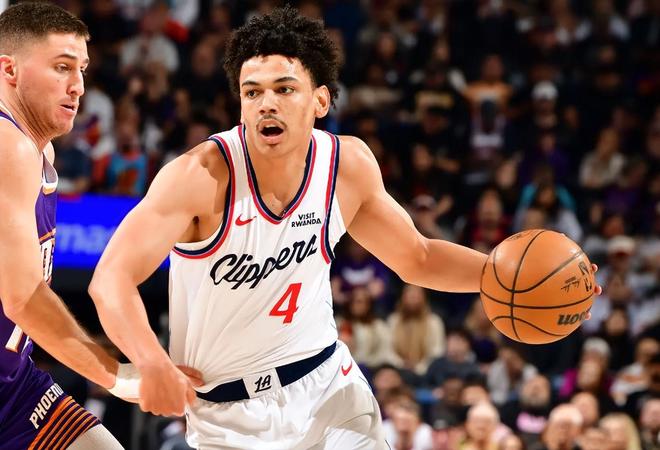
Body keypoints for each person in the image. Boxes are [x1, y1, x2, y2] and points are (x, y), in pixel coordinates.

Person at [89, 6, 600, 449]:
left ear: (321, 100)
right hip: (227, 414)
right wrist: (151, 361)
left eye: (284, 89)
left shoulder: (345, 166)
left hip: (328, 388)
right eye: (252, 92)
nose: (266, 103)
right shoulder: (199, 177)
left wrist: (513, 279)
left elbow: (417, 258)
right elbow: (111, 279)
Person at [0, 3, 126, 449]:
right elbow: (24, 298)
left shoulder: (40, 152)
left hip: (15, 386)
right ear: (9, 70)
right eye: (61, 67)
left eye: (82, 69)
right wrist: (117, 375)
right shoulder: (7, 145)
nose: (78, 86)